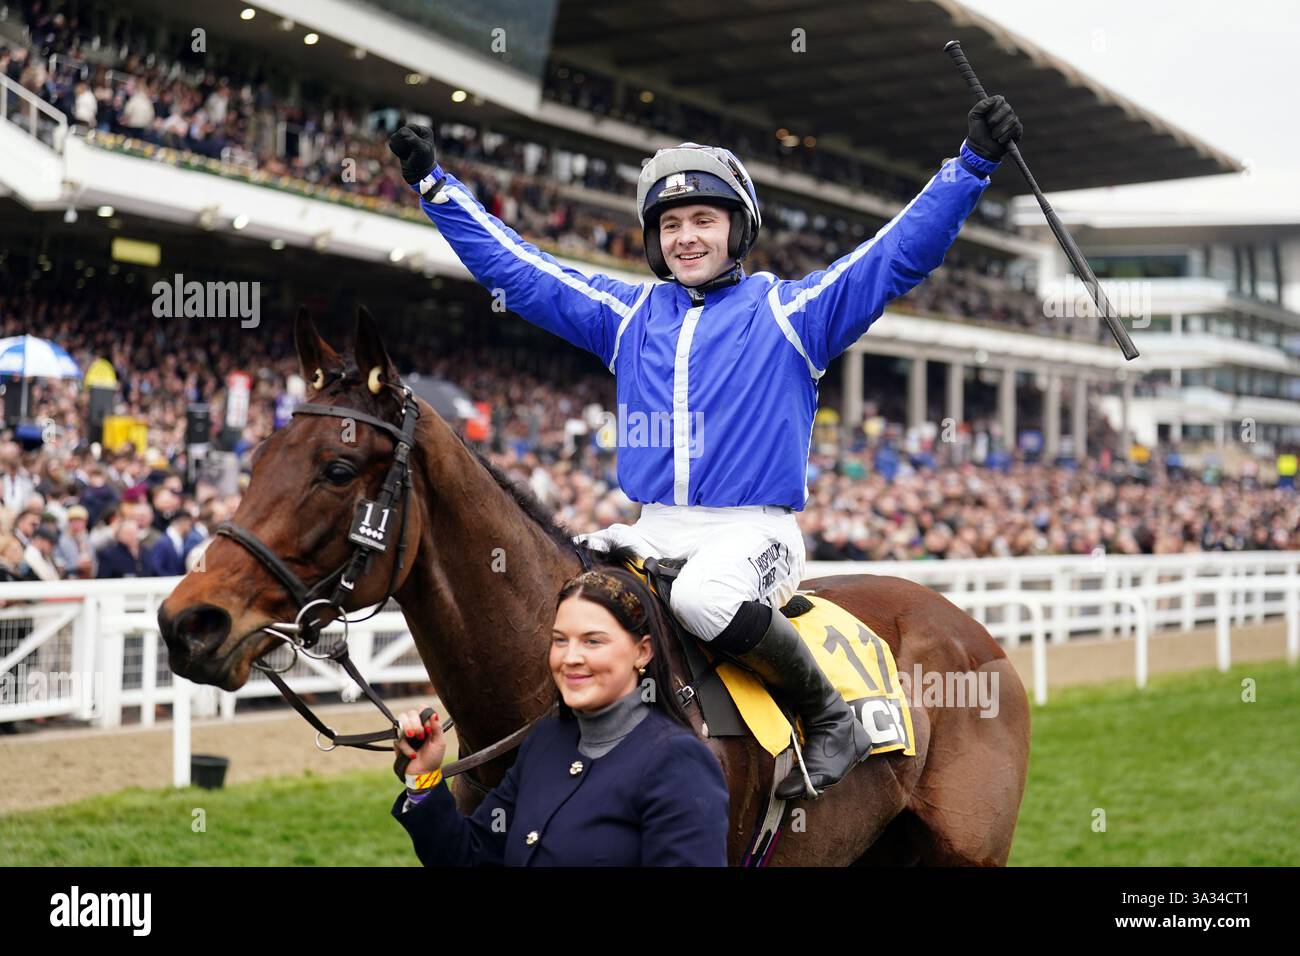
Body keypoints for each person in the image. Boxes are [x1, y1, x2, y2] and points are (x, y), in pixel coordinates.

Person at [389, 93, 1022, 799]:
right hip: (651, 526)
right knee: (558, 595)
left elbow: (894, 255)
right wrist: (435, 188)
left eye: (702, 221)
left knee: (702, 597)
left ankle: (828, 716)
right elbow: (523, 272)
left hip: (753, 533)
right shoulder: (628, 315)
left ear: (735, 228)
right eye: (670, 225)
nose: (685, 237)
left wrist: (970, 166)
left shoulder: (792, 313)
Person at [391, 567, 729, 866]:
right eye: (560, 641)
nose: (571, 658)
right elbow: (472, 855)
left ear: (642, 651)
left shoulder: (678, 762)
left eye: (592, 641)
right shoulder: (545, 741)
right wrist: (422, 779)